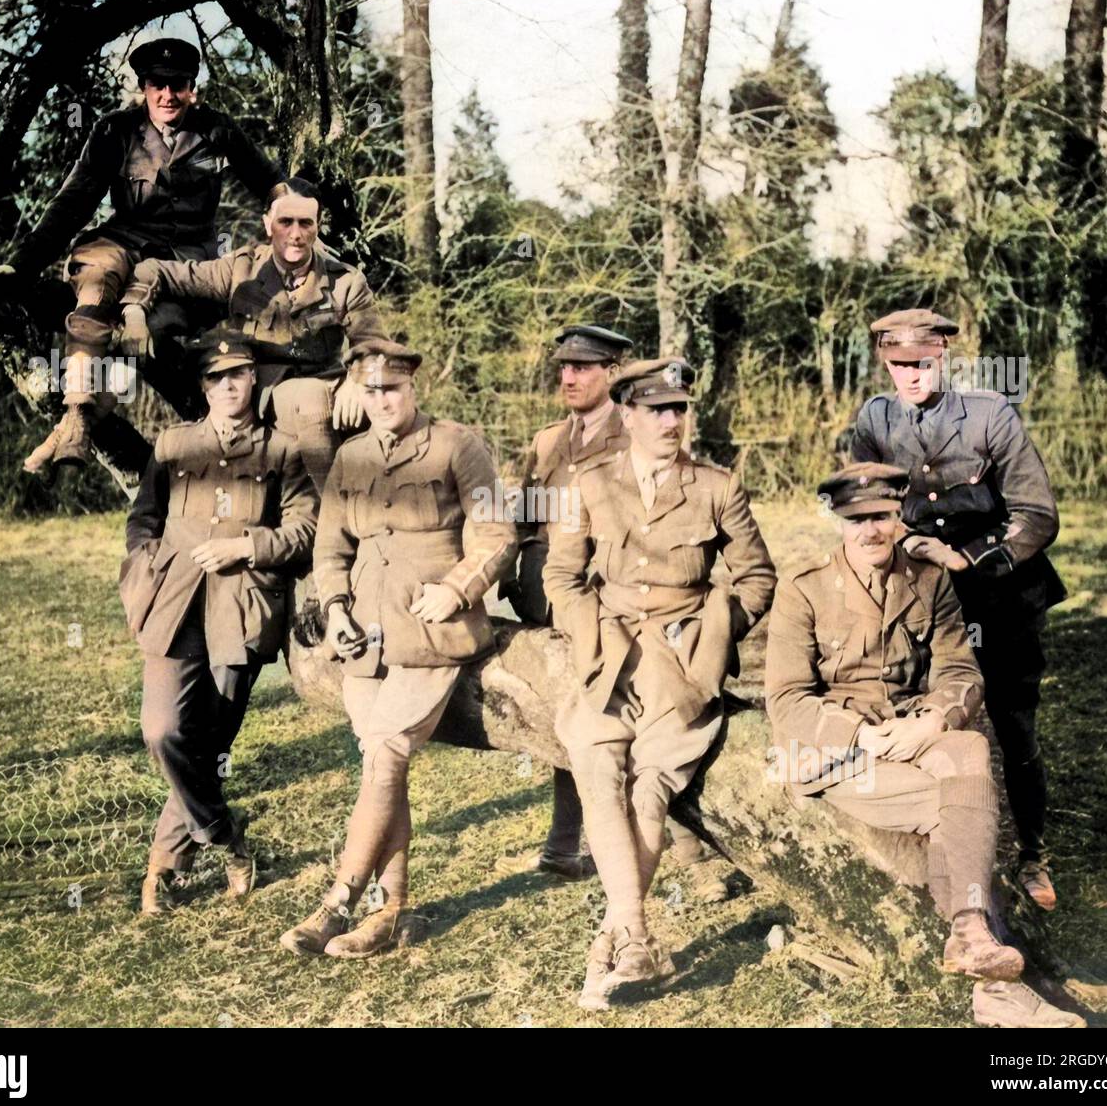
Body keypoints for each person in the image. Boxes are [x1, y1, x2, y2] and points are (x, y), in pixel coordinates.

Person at [764, 462, 1082, 1028]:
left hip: (907, 734)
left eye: (883, 517)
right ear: (838, 520)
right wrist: (861, 735)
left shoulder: (929, 580)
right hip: (842, 753)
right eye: (857, 519)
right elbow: (786, 700)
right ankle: (998, 993)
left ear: (899, 516)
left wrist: (933, 720)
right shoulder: (804, 586)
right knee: (963, 808)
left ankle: (969, 933)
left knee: (969, 753)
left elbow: (962, 672)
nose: (870, 531)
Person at [543, 357, 776, 1010]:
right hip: (609, 655)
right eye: (656, 409)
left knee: (649, 788)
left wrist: (714, 634)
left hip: (682, 669)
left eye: (679, 408)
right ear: (626, 414)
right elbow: (560, 579)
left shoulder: (717, 487)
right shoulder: (587, 483)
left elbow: (758, 577)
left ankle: (617, 942)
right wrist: (591, 644)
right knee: (594, 764)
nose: (671, 421)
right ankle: (633, 937)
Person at [279, 338, 516, 959]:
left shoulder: (456, 445)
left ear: (414, 387)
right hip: (364, 636)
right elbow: (329, 549)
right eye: (371, 389)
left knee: (385, 753)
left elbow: (495, 536)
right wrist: (332, 611)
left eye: (394, 388)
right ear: (357, 392)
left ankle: (337, 904)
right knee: (382, 767)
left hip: (431, 632)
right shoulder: (351, 456)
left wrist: (458, 589)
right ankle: (395, 912)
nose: (383, 399)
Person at [850, 309, 1065, 911]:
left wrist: (972, 556)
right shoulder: (876, 418)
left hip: (1001, 589)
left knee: (1013, 721)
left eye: (921, 364)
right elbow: (866, 502)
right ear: (885, 362)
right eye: (899, 365)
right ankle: (941, 855)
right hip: (924, 591)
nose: (911, 376)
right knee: (925, 716)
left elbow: (1038, 514)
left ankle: (1031, 853)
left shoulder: (990, 414)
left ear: (942, 357)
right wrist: (909, 541)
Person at [503, 325, 728, 899]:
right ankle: (564, 842)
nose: (569, 378)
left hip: (622, 609)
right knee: (582, 721)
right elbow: (526, 518)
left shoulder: (638, 439)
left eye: (583, 368)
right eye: (564, 368)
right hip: (553, 598)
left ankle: (690, 852)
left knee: (637, 724)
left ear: (612, 377)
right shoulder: (550, 440)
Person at [0, 38, 284, 472]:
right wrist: (21, 266)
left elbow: (270, 184)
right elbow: (73, 202)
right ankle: (76, 409)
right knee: (97, 278)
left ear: (192, 88)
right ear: (144, 88)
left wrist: (297, 223)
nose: (168, 95)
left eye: (178, 85)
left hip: (183, 263)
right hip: (122, 241)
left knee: (154, 331)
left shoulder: (218, 130)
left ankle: (73, 427)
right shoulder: (115, 130)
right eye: (157, 85)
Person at [119, 334, 317, 915]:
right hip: (175, 605)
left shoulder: (283, 451)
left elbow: (304, 530)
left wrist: (247, 547)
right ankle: (227, 834)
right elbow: (143, 519)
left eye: (239, 374)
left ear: (254, 380)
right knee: (161, 731)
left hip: (242, 610)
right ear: (204, 387)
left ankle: (165, 866)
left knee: (207, 744)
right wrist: (146, 571)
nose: (229, 385)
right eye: (216, 377)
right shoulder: (175, 445)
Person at [119, 177, 386, 493]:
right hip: (265, 392)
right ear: (268, 224)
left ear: (317, 226)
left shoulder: (344, 281)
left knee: (382, 405)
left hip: (329, 385)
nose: (296, 234)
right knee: (313, 399)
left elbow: (375, 346)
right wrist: (134, 311)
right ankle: (336, 518)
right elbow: (155, 271)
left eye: (306, 223)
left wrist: (362, 380)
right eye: (285, 222)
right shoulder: (240, 269)